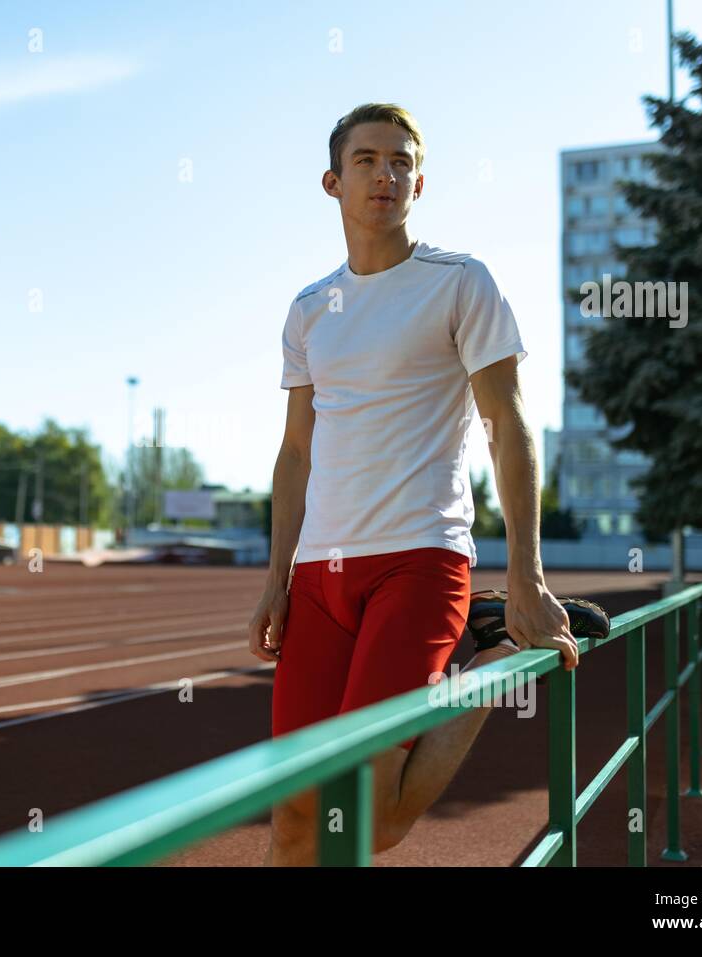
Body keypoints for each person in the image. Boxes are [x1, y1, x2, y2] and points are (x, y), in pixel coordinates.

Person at [247, 103, 579, 867]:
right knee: (297, 812)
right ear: (333, 182)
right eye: (366, 160)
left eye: (400, 161)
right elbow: (296, 451)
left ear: (419, 182)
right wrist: (276, 579)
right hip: (320, 577)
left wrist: (525, 576)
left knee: (364, 819)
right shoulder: (308, 309)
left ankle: (487, 667)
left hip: (419, 560)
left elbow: (509, 425)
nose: (384, 174)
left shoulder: (460, 282)